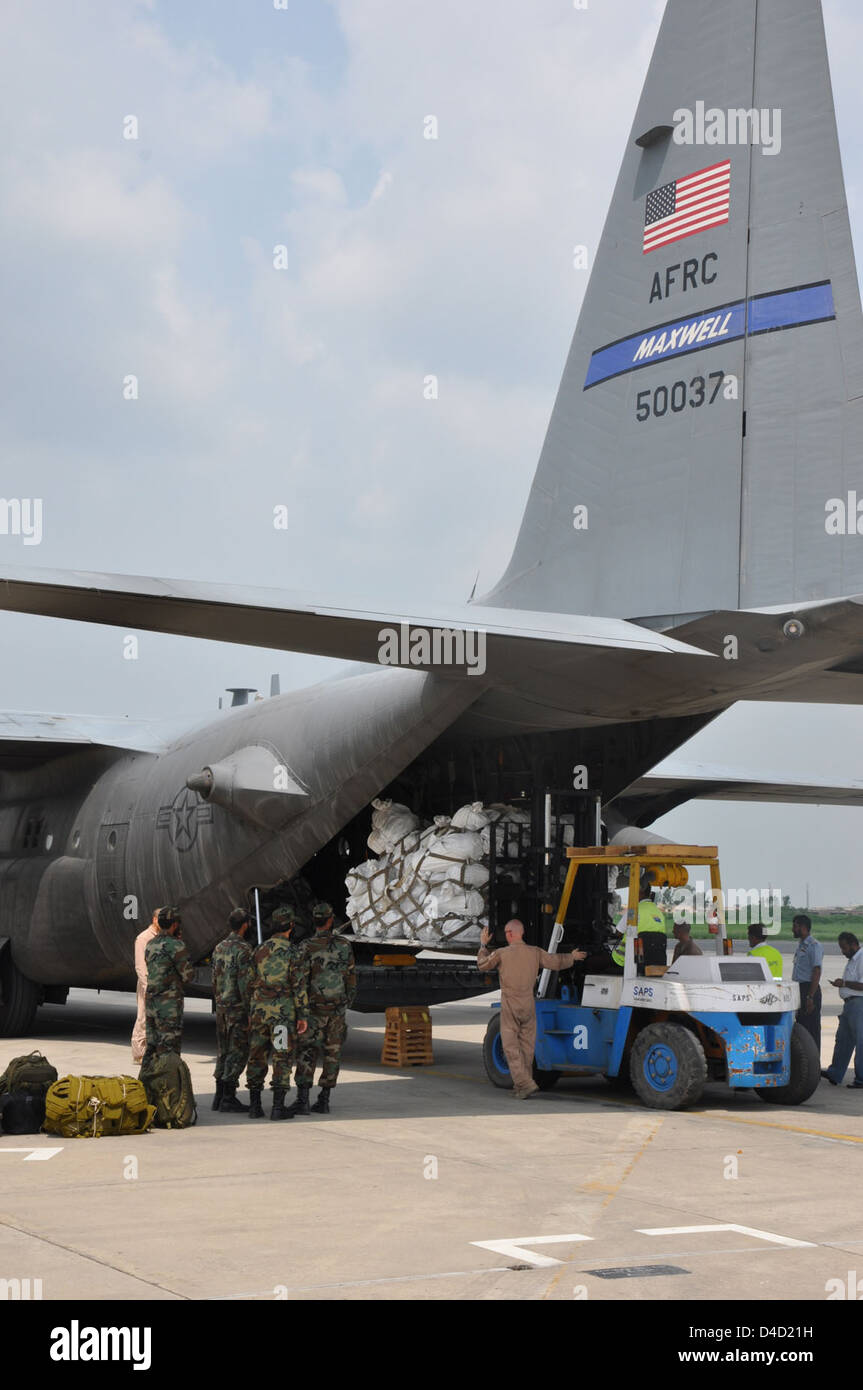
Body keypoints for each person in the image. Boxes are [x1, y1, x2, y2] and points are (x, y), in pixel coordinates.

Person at [477, 919, 586, 1099]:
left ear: (510, 934)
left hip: (511, 1004)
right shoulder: (535, 952)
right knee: (527, 1046)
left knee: (511, 1047)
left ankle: (524, 1083)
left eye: (506, 933)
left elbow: (482, 965)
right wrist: (572, 957)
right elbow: (555, 962)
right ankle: (522, 1088)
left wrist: (483, 945)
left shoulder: (501, 953)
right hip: (528, 1004)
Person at [288, 902, 357, 1116]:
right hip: (336, 1010)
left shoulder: (306, 946)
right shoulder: (344, 946)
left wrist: (300, 1010)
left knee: (307, 1052)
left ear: (314, 921)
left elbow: (299, 982)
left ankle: (303, 1099)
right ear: (330, 920)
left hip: (313, 1011)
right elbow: (351, 977)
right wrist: (347, 1002)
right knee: (332, 1054)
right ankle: (324, 1100)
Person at [246, 907, 309, 1120]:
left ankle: (254, 1106)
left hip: (259, 1013)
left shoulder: (259, 950)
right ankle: (278, 1107)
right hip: (282, 1016)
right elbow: (299, 986)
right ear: (290, 927)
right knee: (281, 1056)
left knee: (256, 1056)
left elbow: (248, 982)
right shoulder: (294, 953)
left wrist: (251, 1009)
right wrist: (302, 1015)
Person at [211, 907, 255, 1113]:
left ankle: (219, 1095)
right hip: (237, 1008)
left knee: (223, 1051)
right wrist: (250, 1013)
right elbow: (245, 985)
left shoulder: (219, 947)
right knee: (238, 1052)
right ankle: (229, 1096)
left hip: (222, 1007)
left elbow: (214, 979)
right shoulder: (244, 950)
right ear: (245, 925)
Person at [141, 907, 195, 1067]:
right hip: (169, 1007)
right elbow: (188, 976)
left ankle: (145, 1084)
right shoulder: (177, 946)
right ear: (174, 925)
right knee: (169, 1050)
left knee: (151, 1047)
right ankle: (168, 1088)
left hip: (151, 1004)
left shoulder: (150, 944)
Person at [822, 932, 863, 1089]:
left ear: (853, 944)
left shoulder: (861, 958)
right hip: (850, 1005)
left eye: (844, 948)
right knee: (843, 1040)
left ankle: (861, 1079)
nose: (843, 951)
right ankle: (835, 1073)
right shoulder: (854, 959)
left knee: (860, 1042)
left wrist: (844, 983)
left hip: (859, 1004)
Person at [610, 877, 668, 971]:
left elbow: (618, 933)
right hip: (650, 963)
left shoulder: (634, 911)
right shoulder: (659, 913)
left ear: (640, 891)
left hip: (624, 961)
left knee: (593, 962)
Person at [131, 909, 161, 1063]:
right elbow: (140, 966)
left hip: (159, 985)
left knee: (156, 1020)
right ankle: (139, 1053)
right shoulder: (143, 938)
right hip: (147, 984)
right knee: (143, 1017)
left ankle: (151, 1051)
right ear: (154, 919)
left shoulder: (161, 938)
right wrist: (147, 986)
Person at [792, 913, 823, 1054]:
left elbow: (816, 971)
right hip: (800, 989)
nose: (793, 929)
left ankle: (813, 1065)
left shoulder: (814, 946)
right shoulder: (801, 946)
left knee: (811, 1029)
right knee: (802, 1027)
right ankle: (805, 1063)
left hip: (809, 989)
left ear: (803, 928)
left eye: (795, 926)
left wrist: (810, 996)